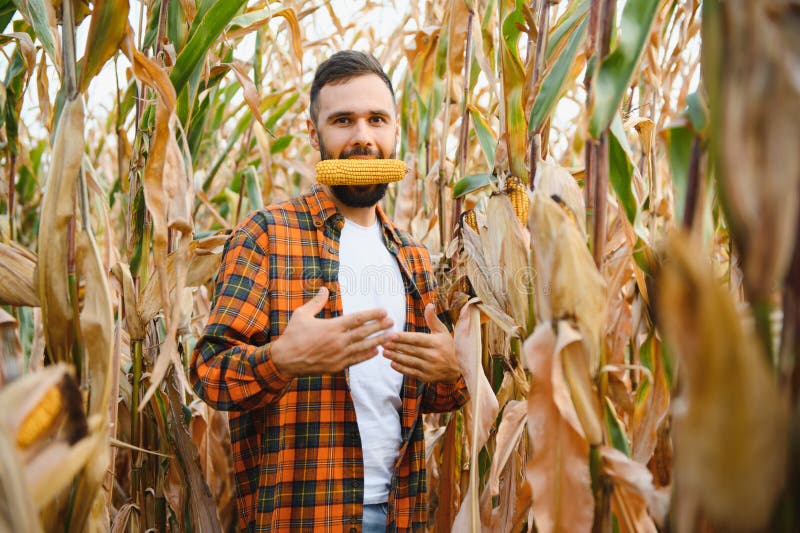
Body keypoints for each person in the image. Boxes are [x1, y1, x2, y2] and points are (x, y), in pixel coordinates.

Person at [190, 50, 468, 533]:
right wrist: (281, 359)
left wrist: (450, 373)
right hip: (304, 517)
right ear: (313, 131)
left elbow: (429, 400)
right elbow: (208, 372)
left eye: (376, 120)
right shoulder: (268, 236)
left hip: (400, 516)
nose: (362, 137)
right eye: (343, 120)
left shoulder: (415, 259)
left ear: (395, 132)